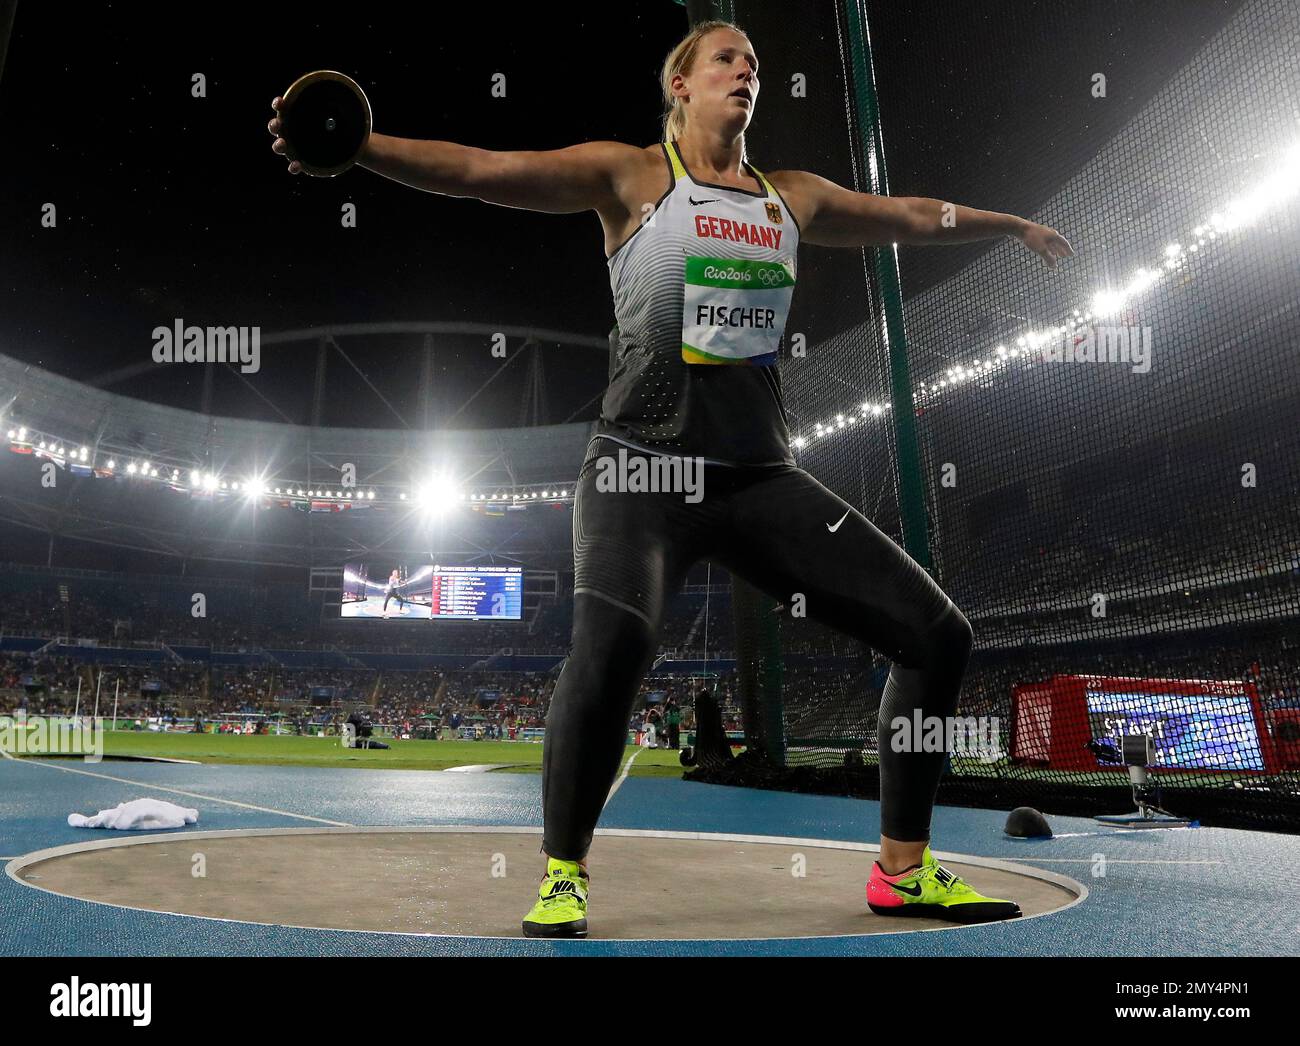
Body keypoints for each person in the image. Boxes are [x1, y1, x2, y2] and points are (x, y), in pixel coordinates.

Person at [269, 19, 1073, 939]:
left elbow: (906, 216)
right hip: (638, 473)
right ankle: (563, 873)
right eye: (726, 58)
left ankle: (902, 870)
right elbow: (484, 170)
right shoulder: (631, 176)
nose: (748, 70)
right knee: (608, 654)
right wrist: (362, 148)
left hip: (758, 480)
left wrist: (1003, 224)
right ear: (679, 87)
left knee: (937, 635)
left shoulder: (793, 198)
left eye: (755, 64)